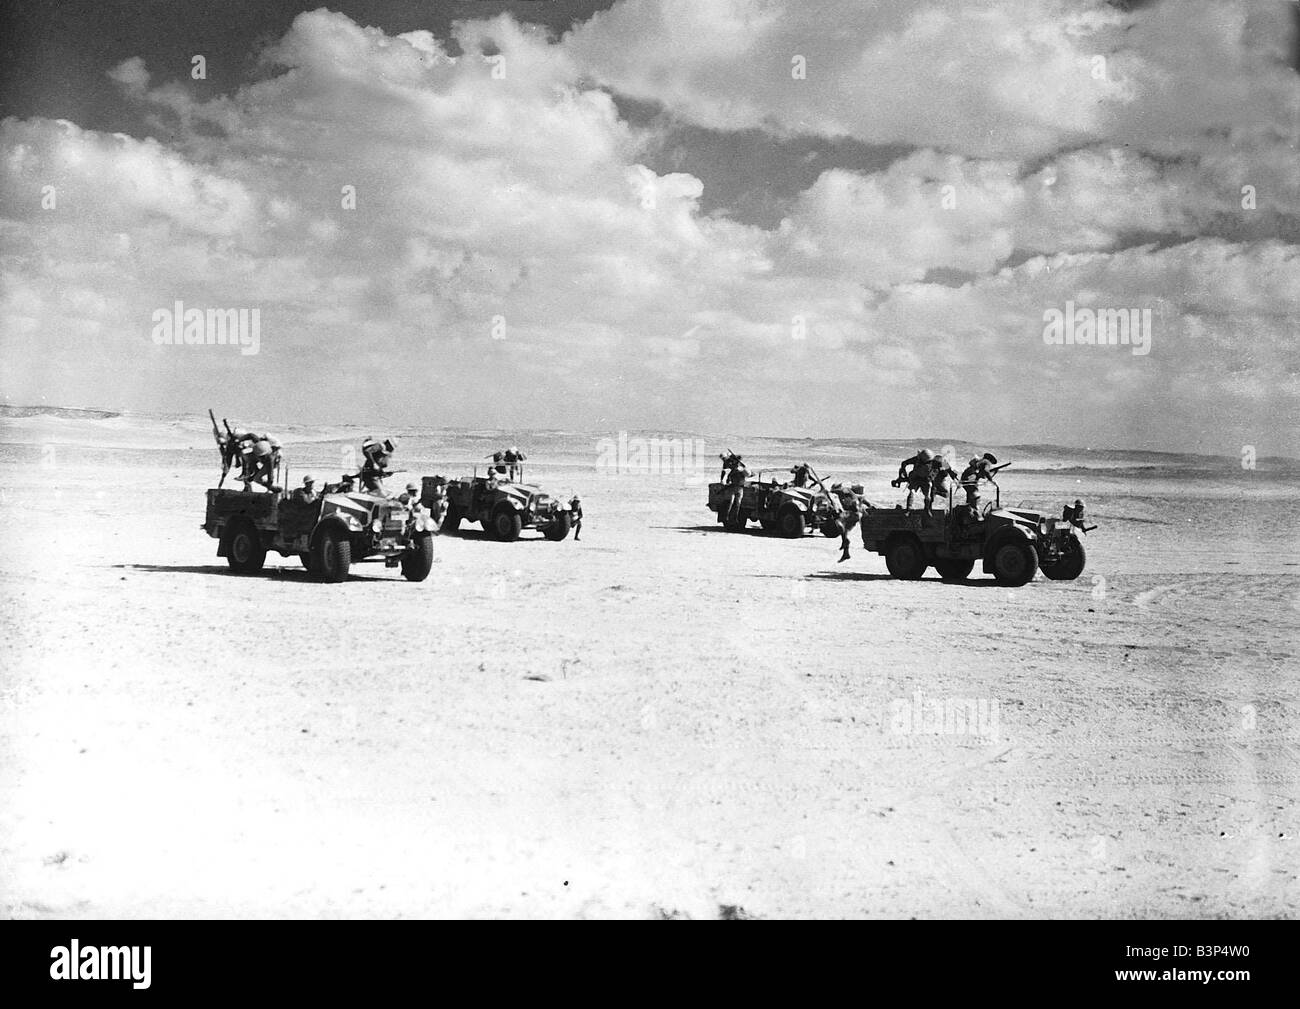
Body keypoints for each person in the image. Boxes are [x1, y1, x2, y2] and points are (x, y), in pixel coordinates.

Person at [834, 484, 862, 563]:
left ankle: (844, 542)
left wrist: (831, 491)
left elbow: (840, 491)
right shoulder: (850, 494)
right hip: (855, 515)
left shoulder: (845, 491)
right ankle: (846, 552)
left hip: (853, 515)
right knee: (845, 531)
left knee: (839, 523)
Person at [724, 455, 749, 525]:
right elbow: (729, 475)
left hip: (739, 488)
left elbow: (749, 474)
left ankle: (733, 518)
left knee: (736, 504)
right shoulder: (735, 468)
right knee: (732, 503)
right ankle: (728, 517)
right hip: (736, 487)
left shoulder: (741, 468)